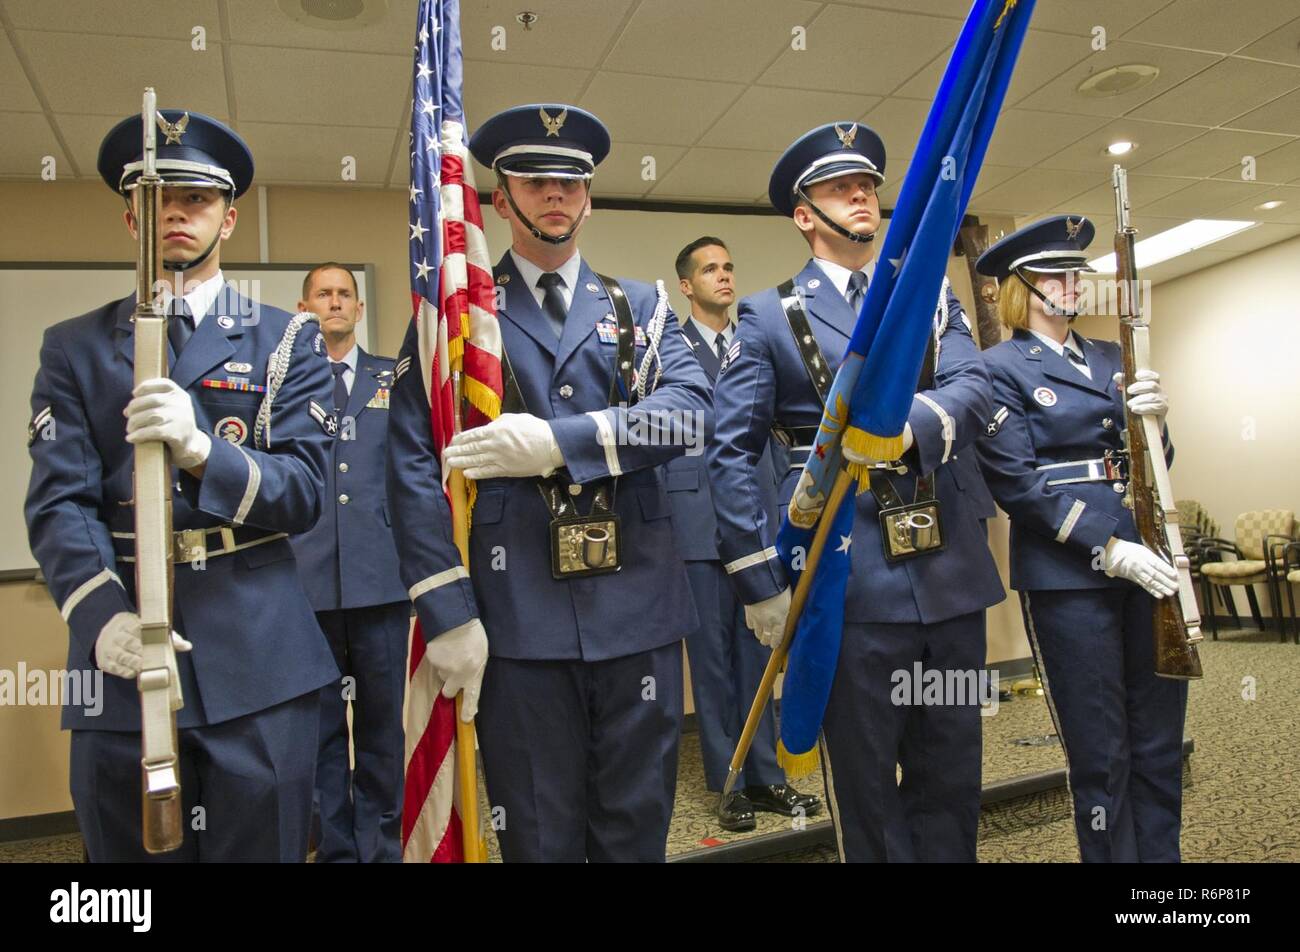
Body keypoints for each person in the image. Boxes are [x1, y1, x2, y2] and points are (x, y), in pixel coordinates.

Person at [385, 103, 713, 862]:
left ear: (590, 198)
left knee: (636, 828)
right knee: (538, 831)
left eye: (570, 183)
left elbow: (690, 416)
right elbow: (406, 464)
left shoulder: (643, 307)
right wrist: (446, 610)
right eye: (535, 182)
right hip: (516, 619)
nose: (555, 195)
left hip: (638, 615)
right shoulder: (459, 316)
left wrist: (563, 444)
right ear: (500, 199)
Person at [25, 108, 337, 862]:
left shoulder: (284, 338)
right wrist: (103, 620)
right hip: (123, 655)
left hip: (256, 654)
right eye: (159, 198)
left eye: (195, 198)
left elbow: (303, 494)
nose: (176, 212)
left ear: (228, 218)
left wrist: (205, 452)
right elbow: (58, 503)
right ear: (133, 216)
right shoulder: (73, 347)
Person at [708, 122, 1005, 862]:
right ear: (805, 214)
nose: (863, 193)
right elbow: (730, 451)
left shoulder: (927, 292)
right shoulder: (770, 316)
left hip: (949, 577)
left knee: (951, 779)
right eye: (841, 186)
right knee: (868, 795)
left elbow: (975, 384)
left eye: (868, 182)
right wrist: (757, 581)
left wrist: (908, 427)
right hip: (848, 585)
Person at [974, 215, 1186, 862]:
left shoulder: (1112, 357)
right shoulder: (998, 367)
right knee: (1101, 754)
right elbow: (1018, 485)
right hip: (1070, 574)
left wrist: (1155, 421)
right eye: (1054, 275)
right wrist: (1107, 546)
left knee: (1158, 742)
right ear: (1022, 287)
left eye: (1076, 274)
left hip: (1143, 556)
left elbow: (1155, 463)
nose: (1071, 284)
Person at [665, 236, 819, 832]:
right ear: (686, 284)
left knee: (762, 653)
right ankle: (729, 785)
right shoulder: (665, 346)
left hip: (759, 518)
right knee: (713, 664)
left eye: (729, 266)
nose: (724, 277)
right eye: (709, 269)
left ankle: (770, 778)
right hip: (698, 524)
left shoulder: (757, 339)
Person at [291, 262, 407, 863]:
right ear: (304, 307)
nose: (334, 303)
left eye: (345, 295)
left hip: (382, 585)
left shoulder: (393, 377)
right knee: (322, 736)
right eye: (323, 295)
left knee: (384, 732)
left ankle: (380, 848)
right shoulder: (283, 384)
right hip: (305, 589)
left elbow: (413, 478)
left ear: (359, 310)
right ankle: (337, 852)